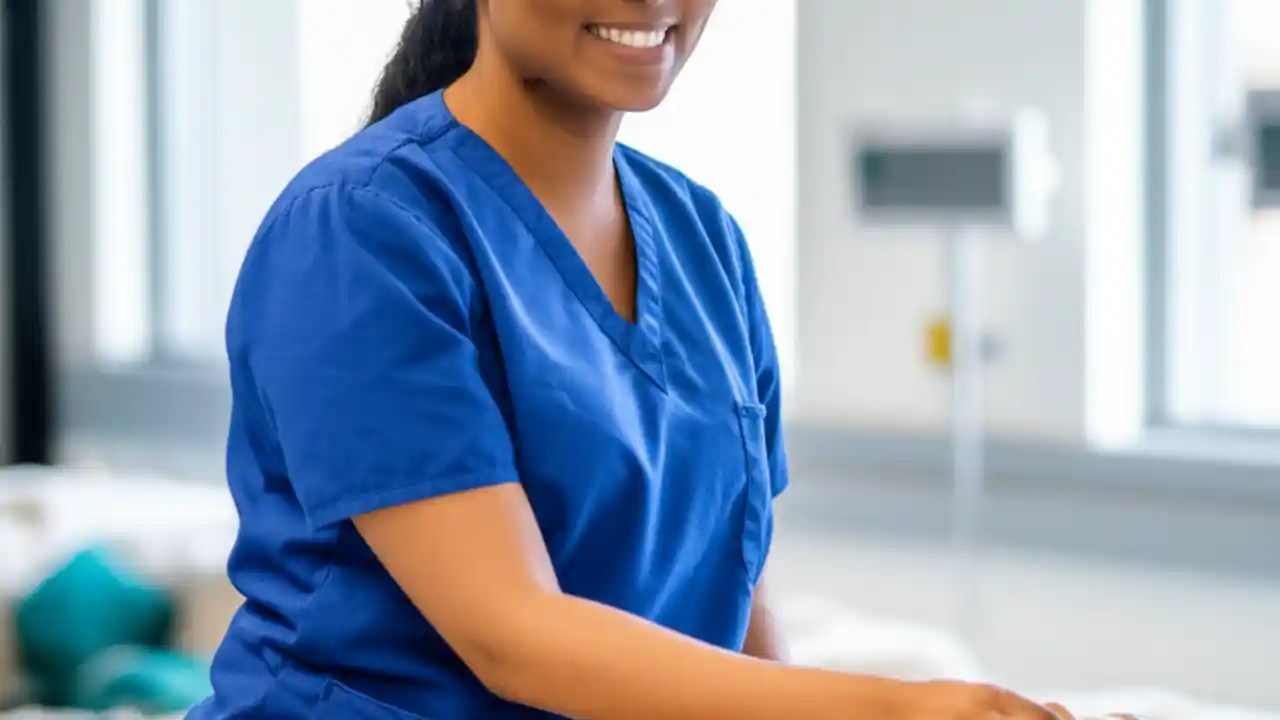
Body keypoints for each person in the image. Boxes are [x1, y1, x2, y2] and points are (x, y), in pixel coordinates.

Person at [187, 1, 1090, 718]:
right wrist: (898, 711)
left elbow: (740, 637)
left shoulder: (706, 243)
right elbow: (515, 637)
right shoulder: (362, 228)